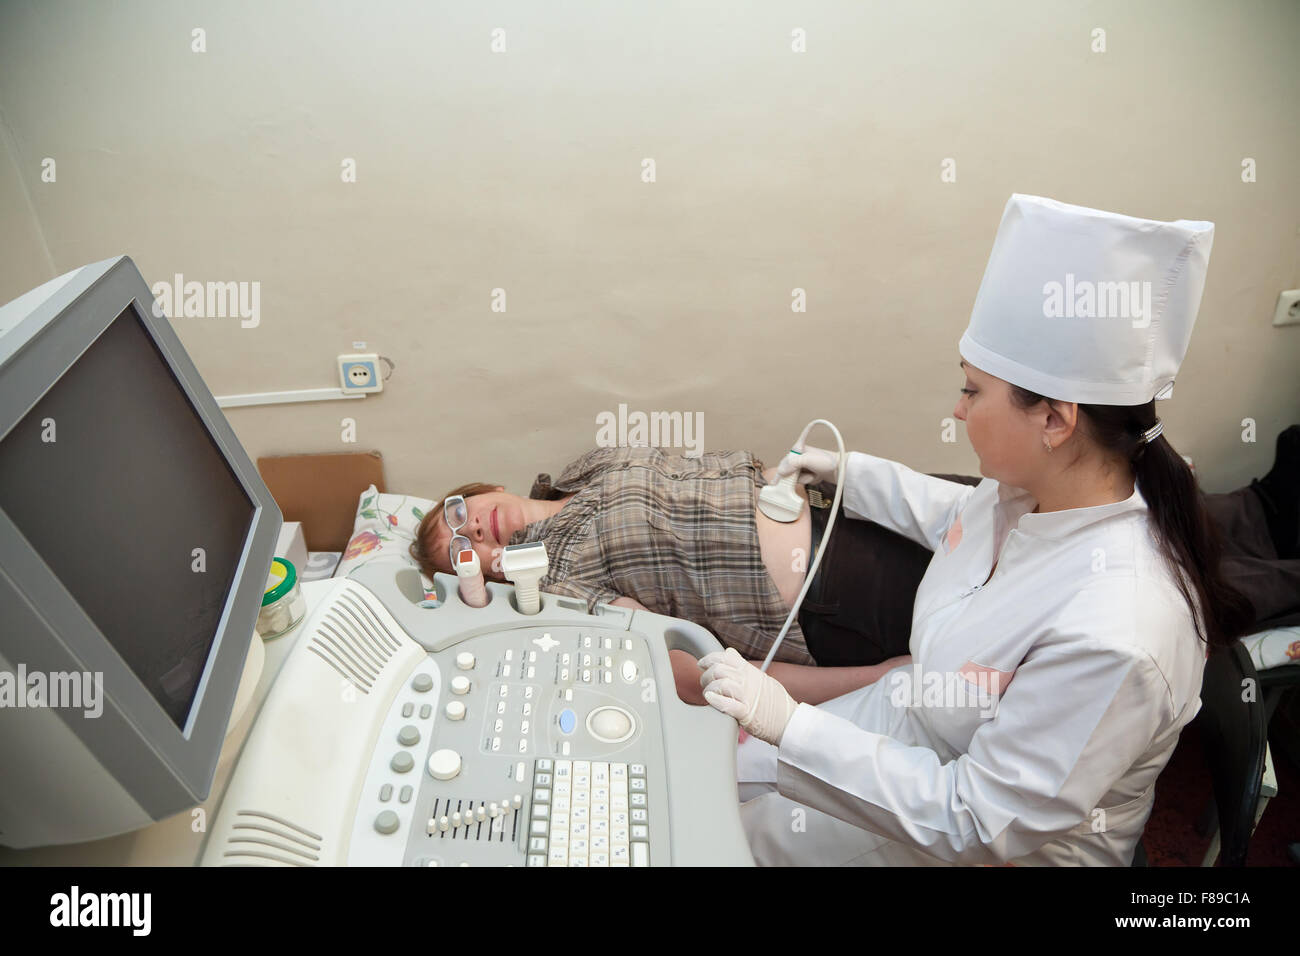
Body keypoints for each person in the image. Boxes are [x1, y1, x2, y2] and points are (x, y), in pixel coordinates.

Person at [699, 193, 1257, 866]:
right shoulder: (1037, 493)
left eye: (972, 391)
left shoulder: (1116, 633)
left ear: (1054, 420)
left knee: (721, 845)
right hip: (915, 729)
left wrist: (789, 725)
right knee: (710, 782)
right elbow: (957, 519)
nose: (958, 411)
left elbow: (976, 820)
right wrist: (850, 474)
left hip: (974, 835)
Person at [408, 446, 913, 706]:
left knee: (964, 510)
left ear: (487, 489)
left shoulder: (584, 468)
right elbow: (694, 677)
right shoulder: (562, 589)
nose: (473, 529)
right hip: (841, 597)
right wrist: (871, 682)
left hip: (850, 502)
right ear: (484, 575)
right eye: (462, 549)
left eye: (459, 514)